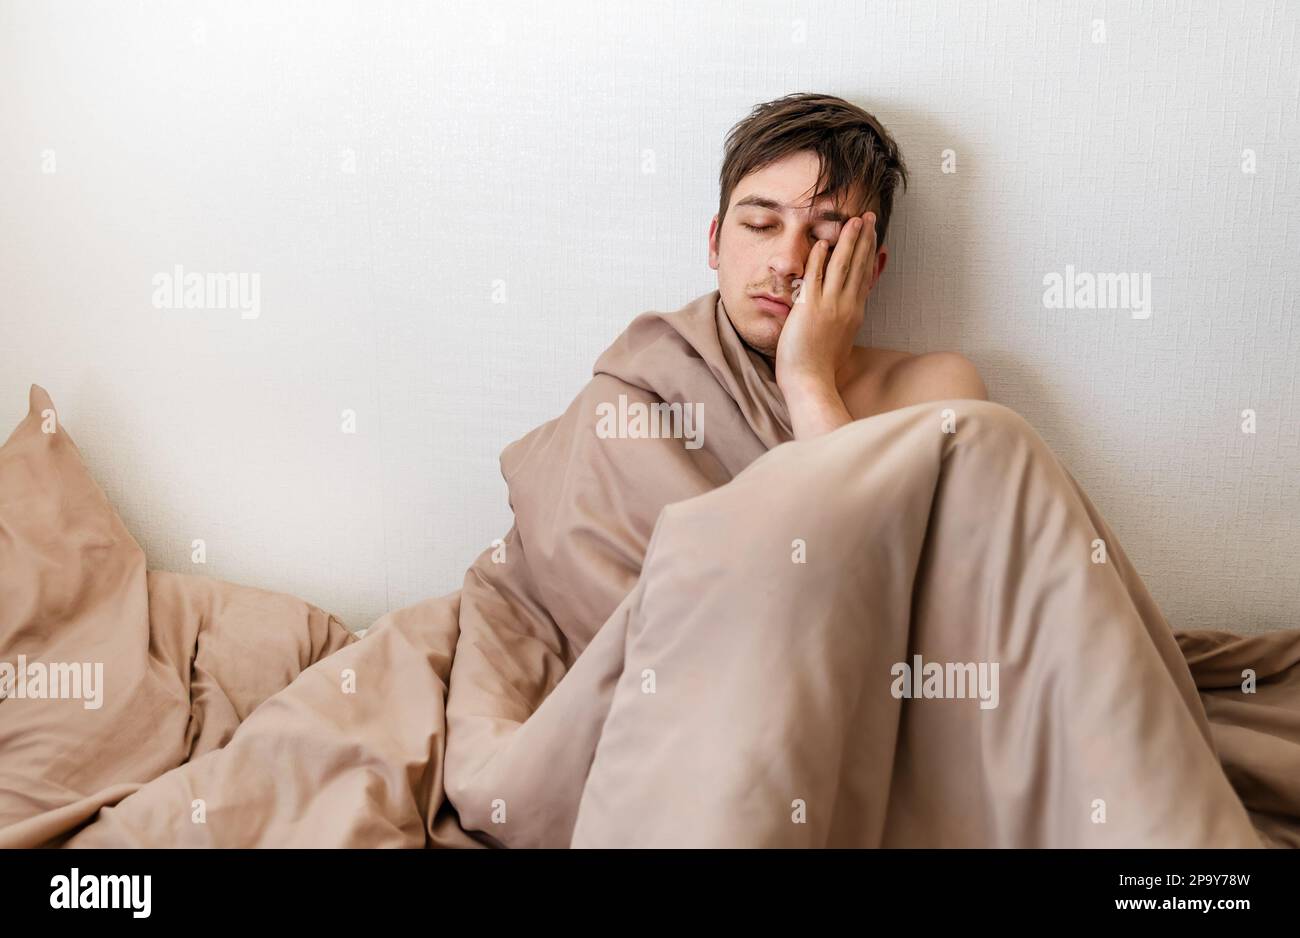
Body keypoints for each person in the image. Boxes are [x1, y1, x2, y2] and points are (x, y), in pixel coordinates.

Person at [707, 92, 987, 439]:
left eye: (826, 239)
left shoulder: (933, 392)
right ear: (715, 241)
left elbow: (844, 497)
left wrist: (808, 376)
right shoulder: (645, 385)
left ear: (869, 271)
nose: (787, 263)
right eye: (761, 225)